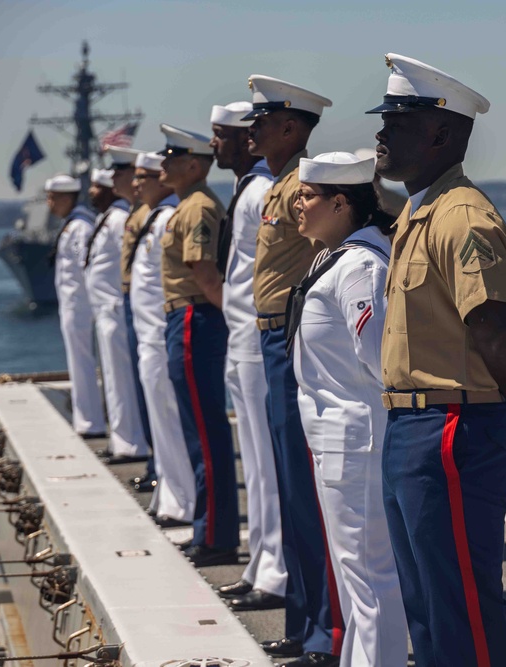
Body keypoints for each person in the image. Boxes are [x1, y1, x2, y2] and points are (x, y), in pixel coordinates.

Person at [367, 54, 506, 667]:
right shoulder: (417, 209)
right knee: (428, 605)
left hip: (453, 427)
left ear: (440, 133)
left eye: (397, 122)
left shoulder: (461, 214)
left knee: (460, 601)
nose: (380, 135)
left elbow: (492, 323)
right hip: (415, 425)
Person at [290, 151, 408, 667]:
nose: (297, 201)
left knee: (371, 577)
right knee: (354, 576)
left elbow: (384, 360)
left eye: (308, 195)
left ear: (341, 203)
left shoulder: (361, 267)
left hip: (357, 441)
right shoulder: (333, 256)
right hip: (336, 440)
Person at [242, 76, 342, 667]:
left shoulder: (310, 184)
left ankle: (326, 632)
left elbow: (370, 227)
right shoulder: (280, 185)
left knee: (307, 490)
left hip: (290, 337)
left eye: (263, 120)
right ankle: (304, 623)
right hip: (271, 339)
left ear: (291, 128)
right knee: (289, 489)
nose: (252, 129)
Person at [207, 101, 286, 612]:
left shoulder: (260, 192)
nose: (217, 143)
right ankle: (261, 560)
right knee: (256, 461)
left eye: (223, 135)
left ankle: (276, 571)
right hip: (241, 334)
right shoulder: (246, 189)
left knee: (269, 464)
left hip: (258, 336)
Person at [158, 123, 239, 568]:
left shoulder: (198, 207)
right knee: (198, 430)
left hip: (194, 318)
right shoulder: (187, 205)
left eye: (170, 159)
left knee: (205, 432)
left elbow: (206, 274)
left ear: (193, 164)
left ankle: (216, 537)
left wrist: (233, 317)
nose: (162, 165)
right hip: (186, 317)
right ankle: (210, 530)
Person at [127, 150, 193, 527]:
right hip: (147, 336)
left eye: (144, 176)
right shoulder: (156, 219)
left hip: (159, 333)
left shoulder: (168, 217)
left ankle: (183, 502)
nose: (137, 184)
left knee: (169, 420)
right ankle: (169, 493)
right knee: (160, 423)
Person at [84, 167, 149, 463]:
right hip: (105, 311)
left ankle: (132, 443)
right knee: (111, 378)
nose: (91, 192)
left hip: (115, 309)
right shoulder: (106, 218)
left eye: (97, 187)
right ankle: (121, 438)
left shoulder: (120, 218)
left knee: (122, 379)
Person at [107, 143, 157, 490]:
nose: (129, 181)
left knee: (151, 389)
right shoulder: (137, 213)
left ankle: (158, 464)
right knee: (143, 387)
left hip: (147, 307)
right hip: (132, 301)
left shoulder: (148, 214)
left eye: (138, 175)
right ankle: (156, 461)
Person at [46, 174, 106, 437]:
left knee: (83, 362)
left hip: (81, 305)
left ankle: (91, 423)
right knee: (78, 362)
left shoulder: (80, 227)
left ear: (67, 198)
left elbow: (87, 266)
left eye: (52, 198)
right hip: (74, 305)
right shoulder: (73, 224)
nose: (49, 204)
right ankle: (86, 420)